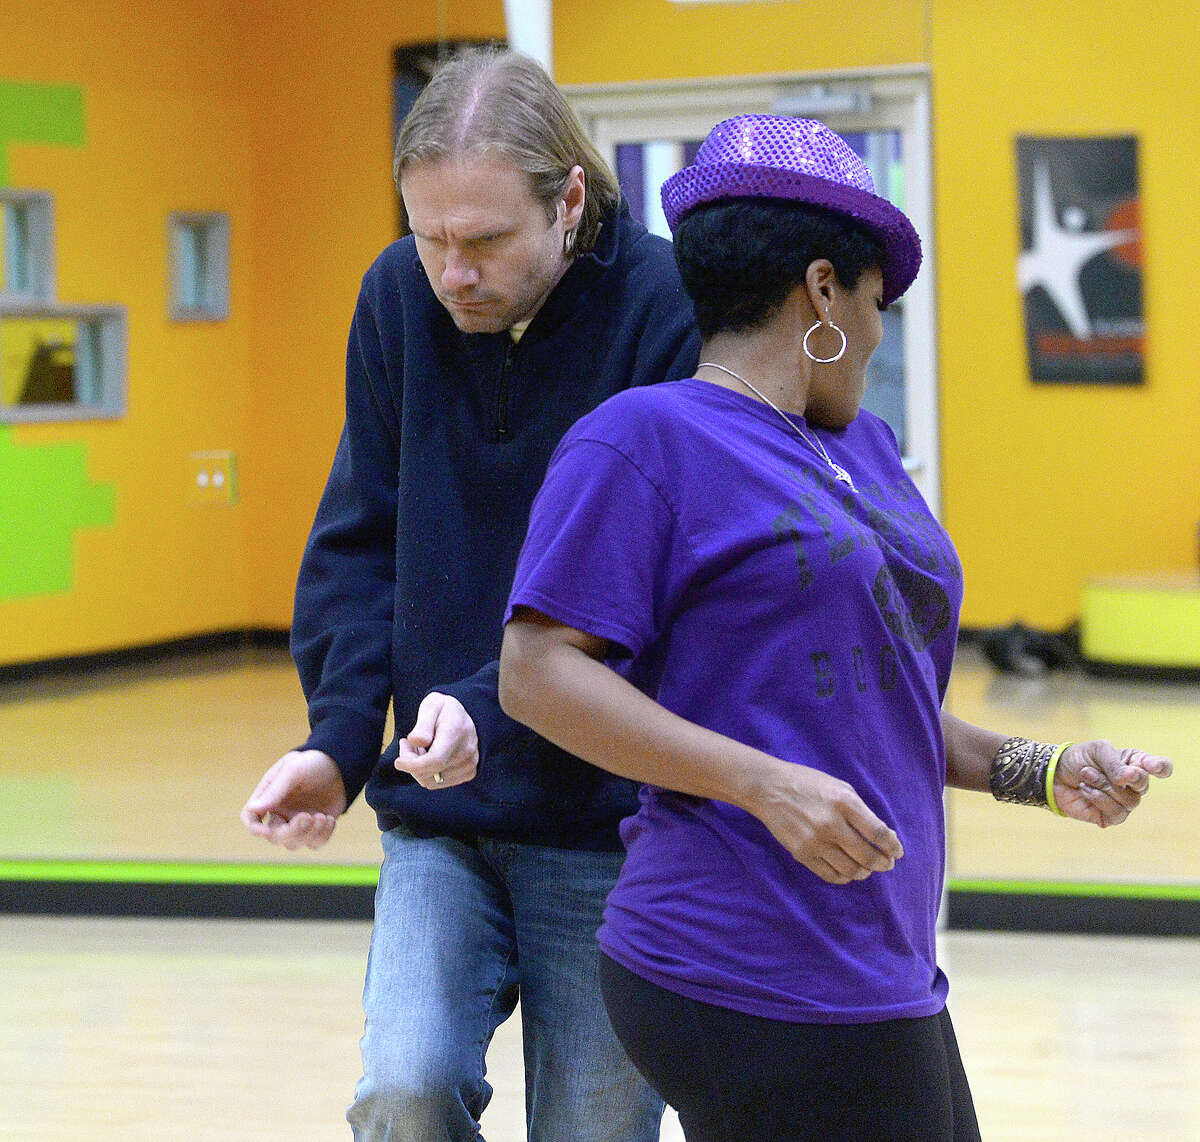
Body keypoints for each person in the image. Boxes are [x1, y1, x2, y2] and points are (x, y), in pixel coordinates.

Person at [498, 114, 1173, 1142]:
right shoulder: (643, 440)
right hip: (739, 953)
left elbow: (869, 697)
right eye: (876, 304)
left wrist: (1039, 766)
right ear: (822, 290)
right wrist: (760, 780)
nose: (874, 333)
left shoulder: (864, 447)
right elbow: (536, 673)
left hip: (875, 947)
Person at [239, 48, 699, 1142]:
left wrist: (488, 704)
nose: (453, 273)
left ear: (570, 198)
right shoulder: (397, 299)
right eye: (430, 235)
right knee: (402, 1090)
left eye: (485, 240)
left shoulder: (665, 308)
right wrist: (341, 741)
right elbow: (360, 539)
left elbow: (650, 587)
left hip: (613, 823)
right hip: (441, 820)